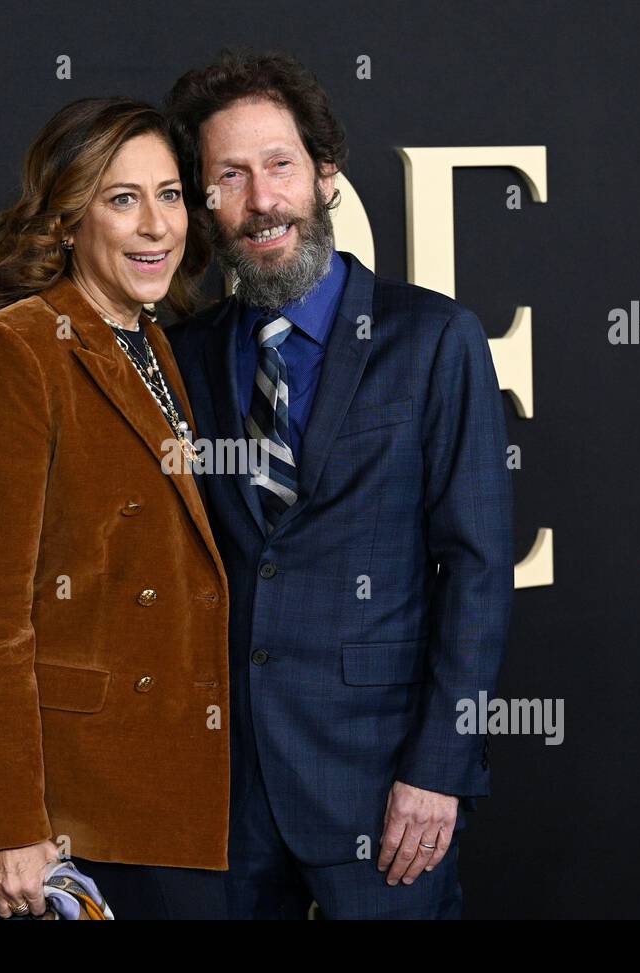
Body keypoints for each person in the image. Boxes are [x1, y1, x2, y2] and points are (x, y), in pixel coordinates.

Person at [162, 50, 515, 919]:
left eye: (280, 165)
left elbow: (476, 570)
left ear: (325, 174)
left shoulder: (433, 339)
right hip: (223, 803)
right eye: (230, 177)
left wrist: (438, 770)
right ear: (207, 205)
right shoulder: (189, 354)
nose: (262, 199)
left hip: (383, 787)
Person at [0, 97, 230, 919]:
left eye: (170, 195)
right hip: (78, 809)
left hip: (178, 780)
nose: (156, 226)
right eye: (122, 198)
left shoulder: (155, 340)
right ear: (68, 220)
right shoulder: (12, 350)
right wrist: (7, 822)